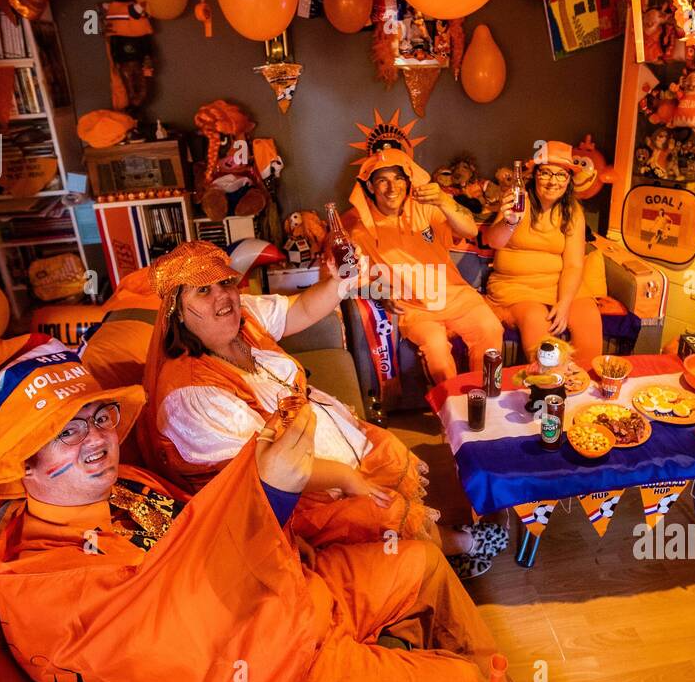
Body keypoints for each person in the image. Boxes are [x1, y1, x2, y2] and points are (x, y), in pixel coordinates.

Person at [0, 334, 524, 682]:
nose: (98, 441)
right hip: (269, 672)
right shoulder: (41, 580)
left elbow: (209, 528)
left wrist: (300, 489)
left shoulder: (128, 482)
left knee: (419, 563)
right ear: (19, 463)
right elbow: (179, 632)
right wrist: (269, 491)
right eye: (66, 431)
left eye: (100, 417)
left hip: (296, 597)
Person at [138, 241, 505, 570]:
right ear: (177, 313)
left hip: (318, 450)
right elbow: (264, 471)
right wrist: (346, 478)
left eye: (226, 283)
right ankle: (458, 546)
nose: (224, 296)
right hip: (285, 498)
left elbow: (299, 311)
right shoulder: (189, 395)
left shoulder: (242, 316)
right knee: (383, 510)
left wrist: (336, 281)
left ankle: (433, 543)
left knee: (388, 450)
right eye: (204, 291)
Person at [343, 148, 504, 387]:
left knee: (490, 329)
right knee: (437, 352)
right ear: (370, 187)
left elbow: (469, 230)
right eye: (382, 181)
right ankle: (450, 412)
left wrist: (444, 200)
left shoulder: (426, 208)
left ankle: (487, 399)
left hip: (457, 296)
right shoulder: (359, 230)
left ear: (408, 181)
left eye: (398, 178)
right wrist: (383, 293)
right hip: (415, 309)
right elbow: (354, 279)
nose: (392, 187)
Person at [482, 143, 604, 367]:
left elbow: (574, 265)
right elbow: (492, 241)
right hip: (516, 286)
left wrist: (565, 303)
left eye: (560, 174)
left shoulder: (573, 211)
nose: (552, 181)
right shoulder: (517, 198)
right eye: (546, 172)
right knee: (536, 322)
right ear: (535, 175)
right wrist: (510, 222)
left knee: (589, 319)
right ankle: (545, 389)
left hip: (558, 282)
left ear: (568, 179)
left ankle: (583, 390)